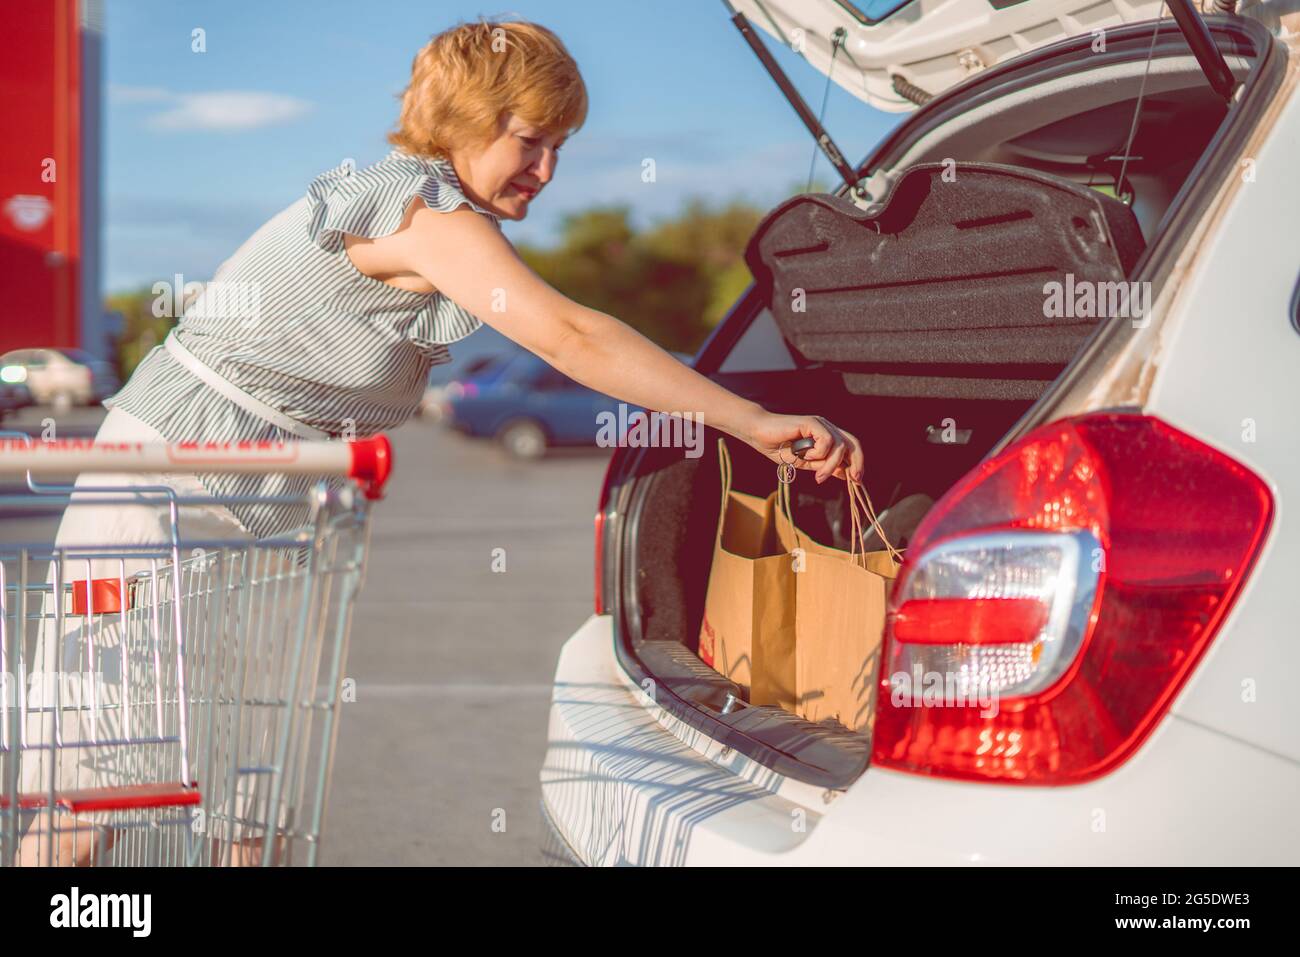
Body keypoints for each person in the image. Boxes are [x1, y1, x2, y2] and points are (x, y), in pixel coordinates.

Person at [18, 19, 863, 865]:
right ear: (462, 119)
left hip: (265, 492)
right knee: (102, 786)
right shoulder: (420, 212)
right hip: (175, 479)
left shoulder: (432, 215)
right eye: (530, 141)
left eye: (560, 147)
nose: (547, 171)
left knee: (257, 788)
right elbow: (571, 337)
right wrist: (749, 421)